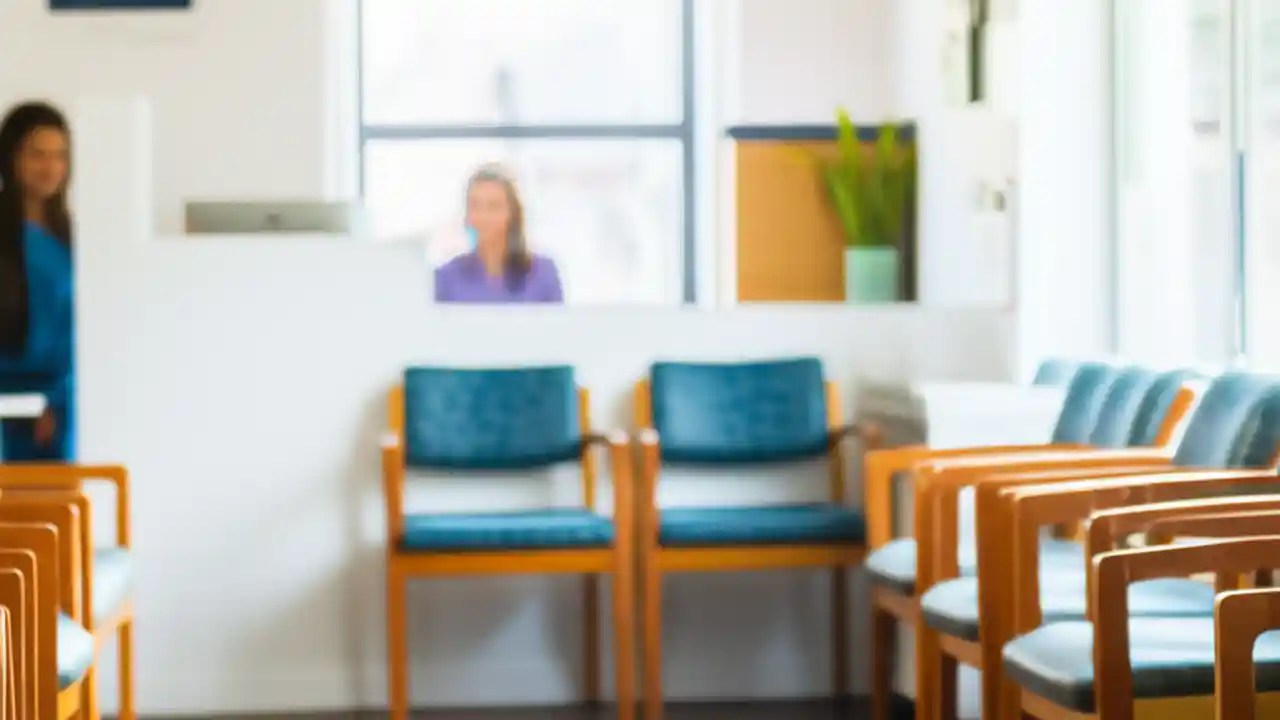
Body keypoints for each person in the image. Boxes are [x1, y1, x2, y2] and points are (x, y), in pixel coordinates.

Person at [0, 102, 75, 462]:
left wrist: (57, 400)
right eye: (38, 154)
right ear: (11, 159)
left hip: (64, 402)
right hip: (11, 404)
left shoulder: (72, 237)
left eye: (60, 155)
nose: (51, 167)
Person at [434, 164, 564, 303]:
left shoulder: (543, 273)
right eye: (475, 206)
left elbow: (559, 323)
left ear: (513, 213)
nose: (483, 216)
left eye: (494, 206)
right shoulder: (446, 277)